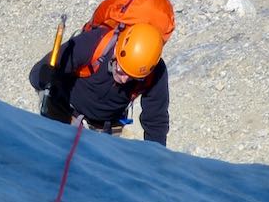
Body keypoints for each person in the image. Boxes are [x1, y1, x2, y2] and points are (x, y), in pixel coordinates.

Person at [30, 21, 170, 146]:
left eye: (133, 78)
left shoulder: (156, 72)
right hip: (66, 113)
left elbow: (155, 121)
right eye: (121, 70)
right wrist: (47, 79)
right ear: (117, 50)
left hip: (107, 128)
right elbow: (36, 73)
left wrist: (156, 161)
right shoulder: (93, 44)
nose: (124, 80)